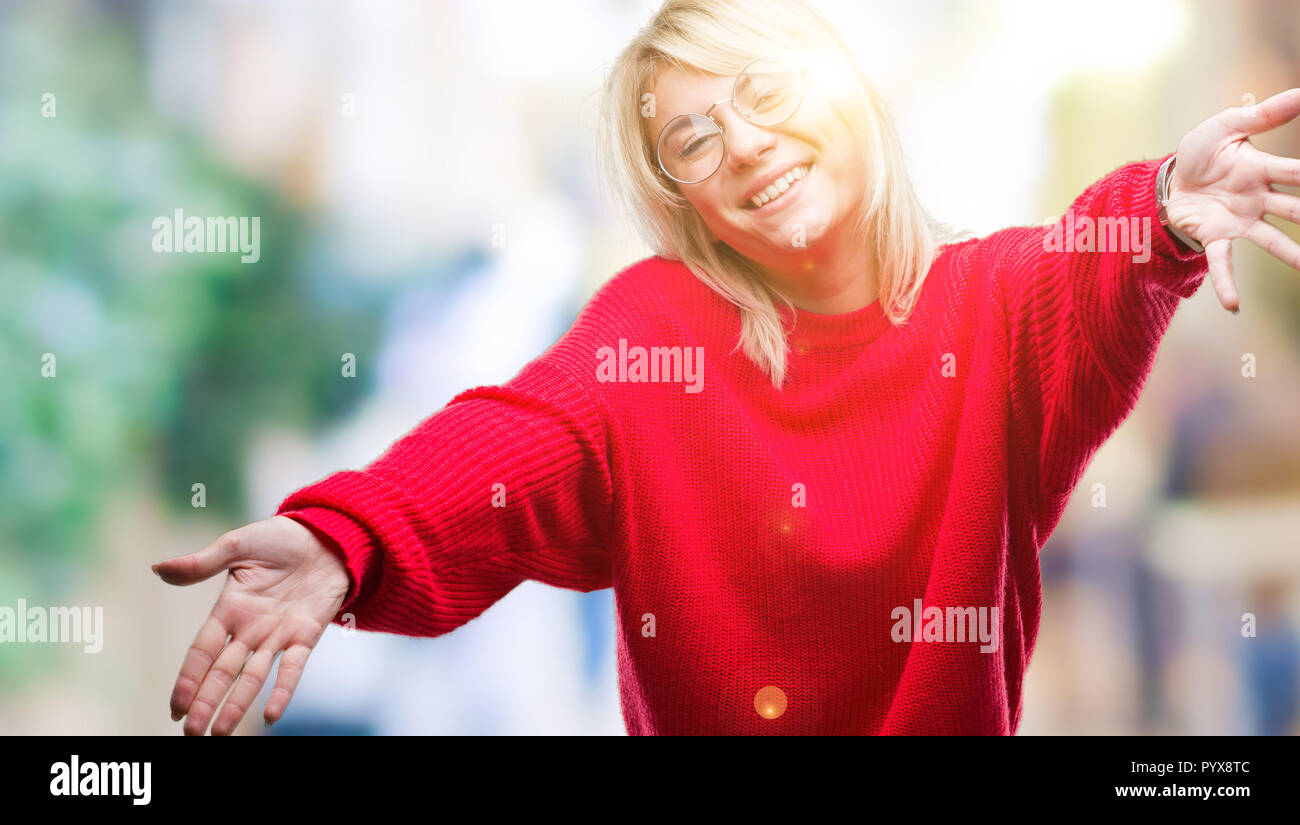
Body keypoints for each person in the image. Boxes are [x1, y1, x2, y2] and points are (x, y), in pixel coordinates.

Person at [154, 0, 1300, 735]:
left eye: (765, 94)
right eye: (693, 139)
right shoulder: (655, 329)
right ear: (683, 199)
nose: (744, 144)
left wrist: (1163, 207)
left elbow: (1085, 264)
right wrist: (346, 536)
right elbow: (515, 440)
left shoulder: (991, 305)